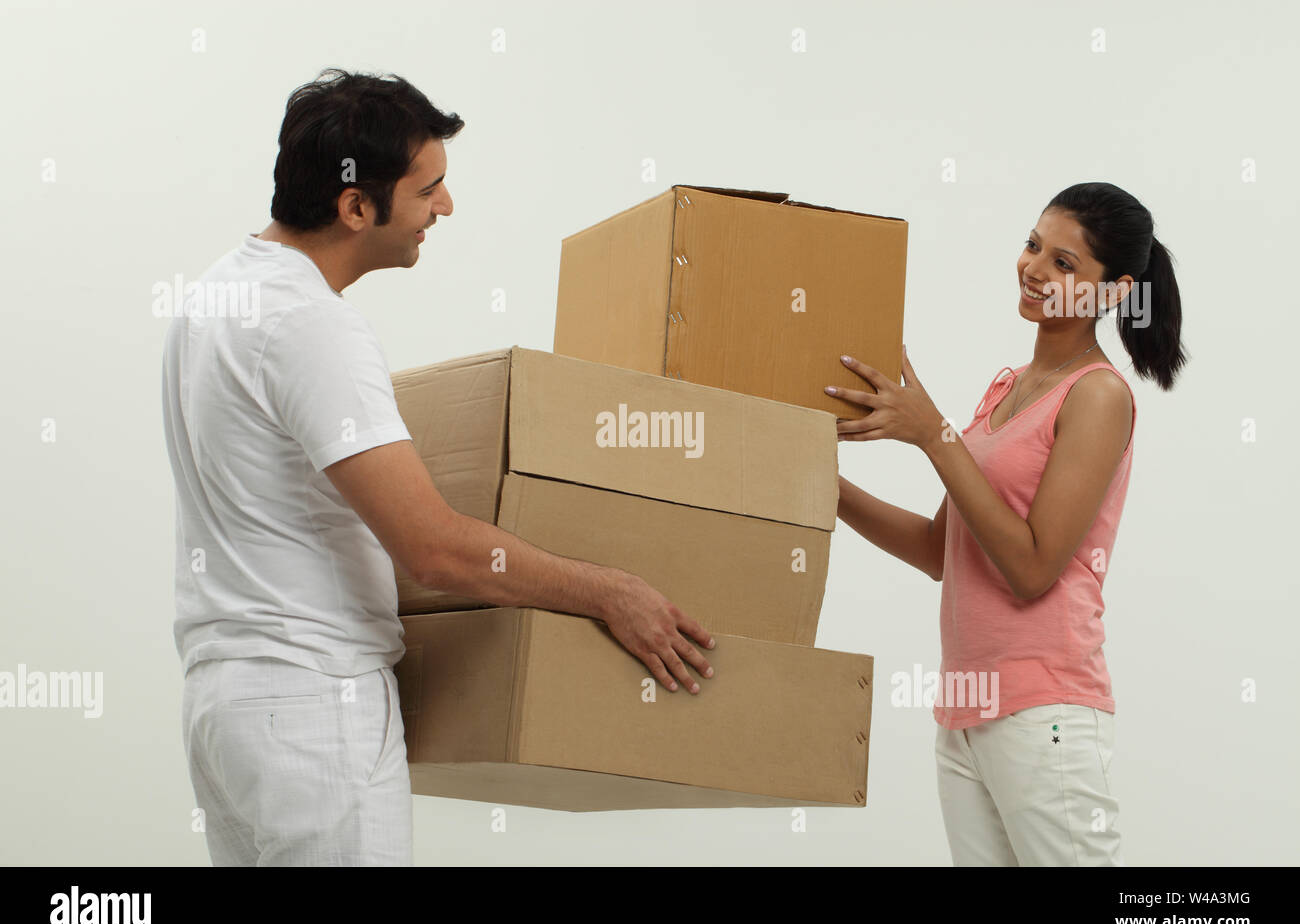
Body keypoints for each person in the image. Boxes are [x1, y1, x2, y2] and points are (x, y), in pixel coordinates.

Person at [160, 68, 714, 867]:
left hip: (228, 704)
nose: (443, 209)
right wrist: (611, 592)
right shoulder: (312, 324)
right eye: (429, 190)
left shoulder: (213, 297)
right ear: (356, 206)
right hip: (314, 705)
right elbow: (434, 550)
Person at [831, 182, 1187, 866]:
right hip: (966, 712)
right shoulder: (1003, 388)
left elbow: (1030, 569)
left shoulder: (1098, 397)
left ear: (1113, 291)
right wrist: (827, 488)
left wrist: (933, 434)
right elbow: (942, 549)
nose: (1033, 268)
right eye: (1032, 246)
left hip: (1043, 713)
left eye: (1063, 263)